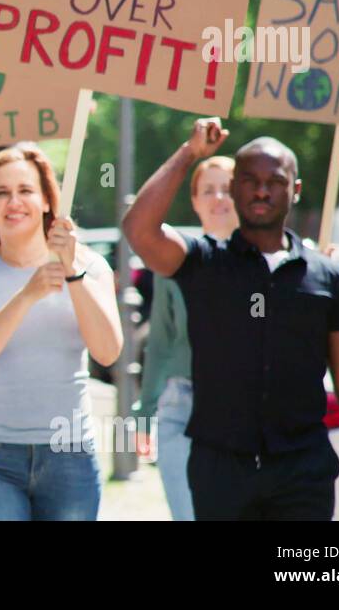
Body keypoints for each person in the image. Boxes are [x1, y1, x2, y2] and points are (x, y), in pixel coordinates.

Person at [121, 119, 339, 521]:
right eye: (249, 180)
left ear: (295, 189)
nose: (263, 190)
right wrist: (189, 154)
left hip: (303, 471)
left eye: (276, 181)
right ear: (234, 189)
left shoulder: (328, 276)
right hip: (220, 470)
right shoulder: (203, 263)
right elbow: (139, 230)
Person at [0, 146, 122, 521]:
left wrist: (72, 271)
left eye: (25, 190)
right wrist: (27, 295)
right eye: (1, 193)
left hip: (69, 454)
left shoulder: (92, 267)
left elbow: (108, 352)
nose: (14, 201)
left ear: (46, 201)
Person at [133, 156, 238, 521]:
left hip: (245, 412)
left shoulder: (271, 260)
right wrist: (144, 412)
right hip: (182, 407)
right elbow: (160, 342)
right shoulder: (176, 259)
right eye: (207, 190)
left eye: (227, 188)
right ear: (193, 201)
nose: (218, 197)